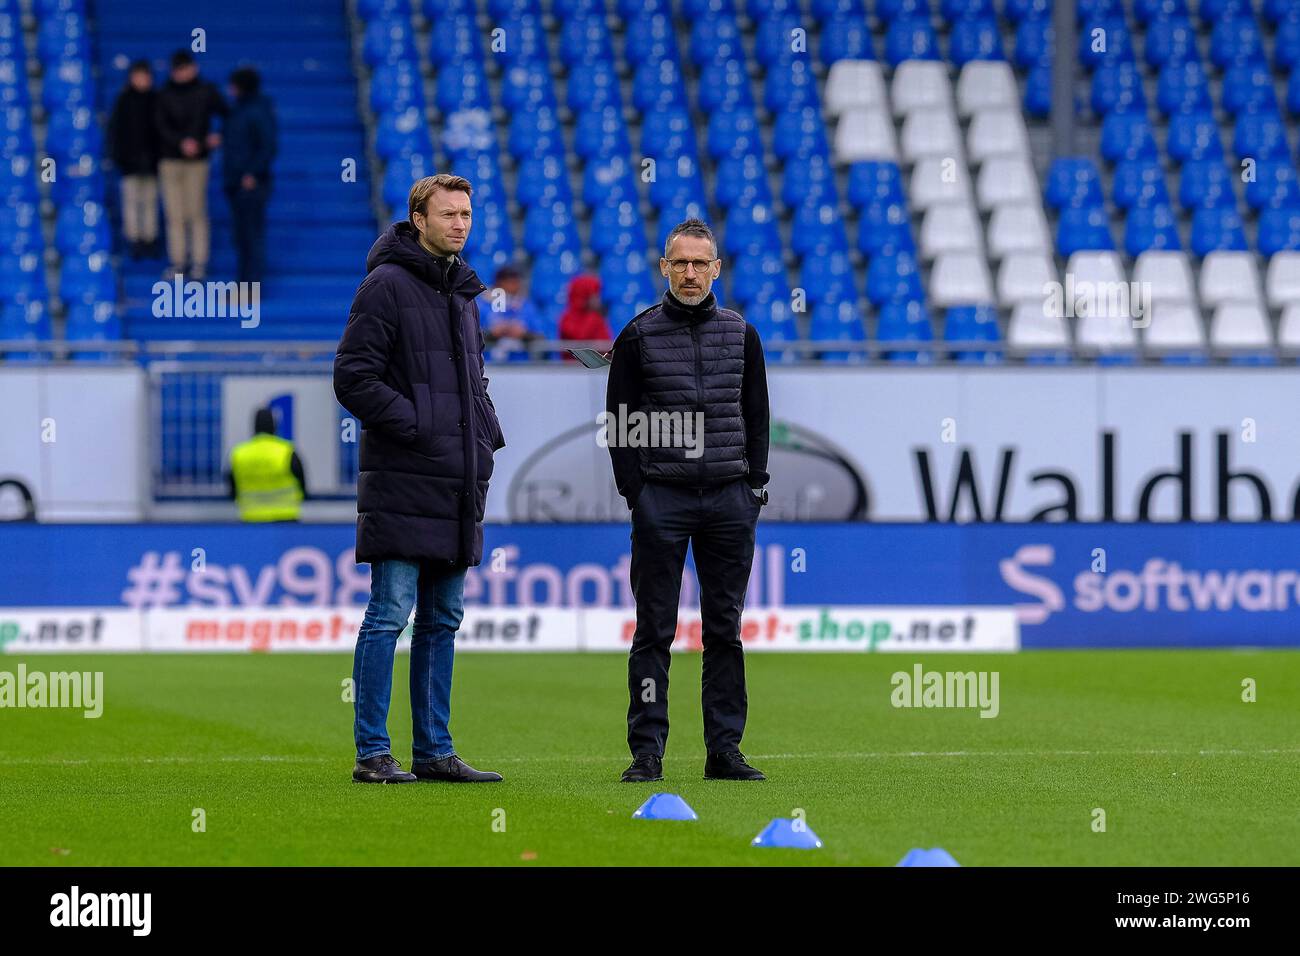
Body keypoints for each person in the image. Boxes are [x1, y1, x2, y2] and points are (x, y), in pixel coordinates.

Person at [333, 174, 506, 785]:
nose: (461, 223)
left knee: (443, 619)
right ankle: (373, 753)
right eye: (449, 214)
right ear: (418, 218)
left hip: (457, 481)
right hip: (406, 477)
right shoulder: (385, 285)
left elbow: (474, 386)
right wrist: (423, 426)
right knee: (390, 613)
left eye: (467, 213)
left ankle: (435, 751)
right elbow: (353, 377)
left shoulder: (461, 293)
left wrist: (484, 438)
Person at [605, 218, 771, 784]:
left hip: (729, 497)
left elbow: (757, 414)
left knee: (724, 628)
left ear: (717, 268)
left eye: (701, 263)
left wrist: (755, 485)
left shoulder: (742, 333)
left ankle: (724, 750)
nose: (691, 273)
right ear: (665, 268)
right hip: (663, 500)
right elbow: (620, 424)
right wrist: (638, 494)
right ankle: (647, 751)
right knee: (655, 629)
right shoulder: (637, 335)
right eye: (682, 263)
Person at [155, 50, 226, 280]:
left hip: (198, 161)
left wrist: (216, 136)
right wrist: (180, 143)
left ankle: (199, 263)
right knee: (175, 214)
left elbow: (229, 115)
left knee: (196, 212)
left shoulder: (207, 91)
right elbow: (158, 126)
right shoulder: (163, 94)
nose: (182, 74)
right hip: (170, 160)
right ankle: (178, 262)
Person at [222, 67, 276, 284]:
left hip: (251, 184)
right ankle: (243, 286)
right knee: (242, 238)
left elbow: (268, 147)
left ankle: (251, 288)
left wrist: (253, 173)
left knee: (250, 238)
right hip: (236, 183)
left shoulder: (256, 111)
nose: (230, 90)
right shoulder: (241, 110)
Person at [107, 59, 161, 260]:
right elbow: (115, 131)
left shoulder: (157, 100)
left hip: (152, 162)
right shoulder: (123, 101)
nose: (141, 80)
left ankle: (150, 238)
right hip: (129, 162)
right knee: (131, 202)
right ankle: (134, 239)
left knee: (150, 201)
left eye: (145, 76)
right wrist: (119, 156)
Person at [226, 407, 306, 522]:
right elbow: (303, 486)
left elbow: (232, 489)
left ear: (254, 427)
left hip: (251, 520)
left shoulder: (238, 454)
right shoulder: (287, 451)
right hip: (286, 520)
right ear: (275, 426)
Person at [482, 264, 541, 361]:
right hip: (489, 364)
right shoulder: (483, 305)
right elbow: (472, 337)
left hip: (521, 364)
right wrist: (492, 333)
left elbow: (540, 337)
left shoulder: (527, 306)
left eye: (516, 281)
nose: (514, 285)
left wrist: (523, 334)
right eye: (509, 281)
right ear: (499, 282)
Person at [558, 274, 612, 355]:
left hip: (598, 366)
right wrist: (594, 318)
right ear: (584, 296)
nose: (598, 300)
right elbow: (580, 340)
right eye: (595, 295)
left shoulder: (599, 318)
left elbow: (606, 347)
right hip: (571, 367)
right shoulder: (567, 319)